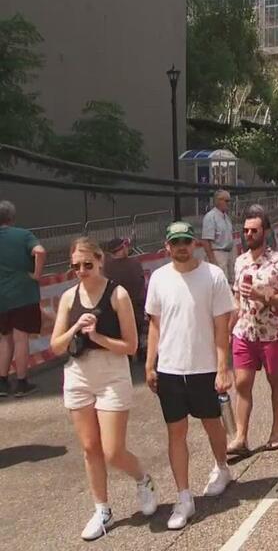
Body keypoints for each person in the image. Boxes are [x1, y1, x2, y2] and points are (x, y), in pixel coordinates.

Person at [49, 237, 157, 540]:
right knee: (89, 447)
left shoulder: (117, 294)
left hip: (111, 374)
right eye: (75, 267)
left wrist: (96, 337)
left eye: (87, 264)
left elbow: (131, 346)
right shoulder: (68, 297)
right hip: (78, 375)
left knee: (112, 451)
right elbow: (56, 346)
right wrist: (75, 328)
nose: (82, 271)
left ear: (100, 261)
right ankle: (102, 509)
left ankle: (143, 479)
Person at [145, 222, 235, 529]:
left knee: (212, 424)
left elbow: (222, 326)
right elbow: (155, 325)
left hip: (205, 368)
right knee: (176, 432)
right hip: (169, 369)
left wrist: (223, 367)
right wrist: (150, 363)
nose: (181, 247)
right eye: (176, 242)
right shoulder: (158, 278)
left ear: (194, 243)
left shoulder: (213, 275)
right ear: (167, 246)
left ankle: (222, 467)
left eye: (186, 241)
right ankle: (184, 498)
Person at [227, 211, 278, 456]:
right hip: (244, 333)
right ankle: (240, 437)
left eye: (254, 230)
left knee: (275, 380)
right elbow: (237, 297)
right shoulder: (240, 261)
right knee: (242, 384)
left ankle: (276, 430)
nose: (248, 234)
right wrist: (229, 329)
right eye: (246, 230)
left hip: (272, 334)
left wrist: (264, 296)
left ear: (265, 232)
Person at [0, 200, 45, 397]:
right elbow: (40, 251)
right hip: (23, 294)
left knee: (5, 338)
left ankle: (2, 381)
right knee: (21, 339)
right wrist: (36, 274)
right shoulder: (24, 235)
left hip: (2, 296)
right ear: (12, 217)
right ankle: (21, 382)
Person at [103, 237, 147, 359]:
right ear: (122, 249)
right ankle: (139, 352)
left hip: (115, 308)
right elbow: (141, 283)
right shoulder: (134, 263)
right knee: (137, 332)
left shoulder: (106, 267)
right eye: (125, 246)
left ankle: (126, 356)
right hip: (135, 306)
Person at [200, 190, 235, 284]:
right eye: (226, 201)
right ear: (218, 201)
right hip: (218, 254)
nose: (229, 203)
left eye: (229, 201)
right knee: (220, 283)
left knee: (230, 282)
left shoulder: (226, 217)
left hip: (229, 253)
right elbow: (206, 241)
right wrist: (212, 260)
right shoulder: (210, 217)